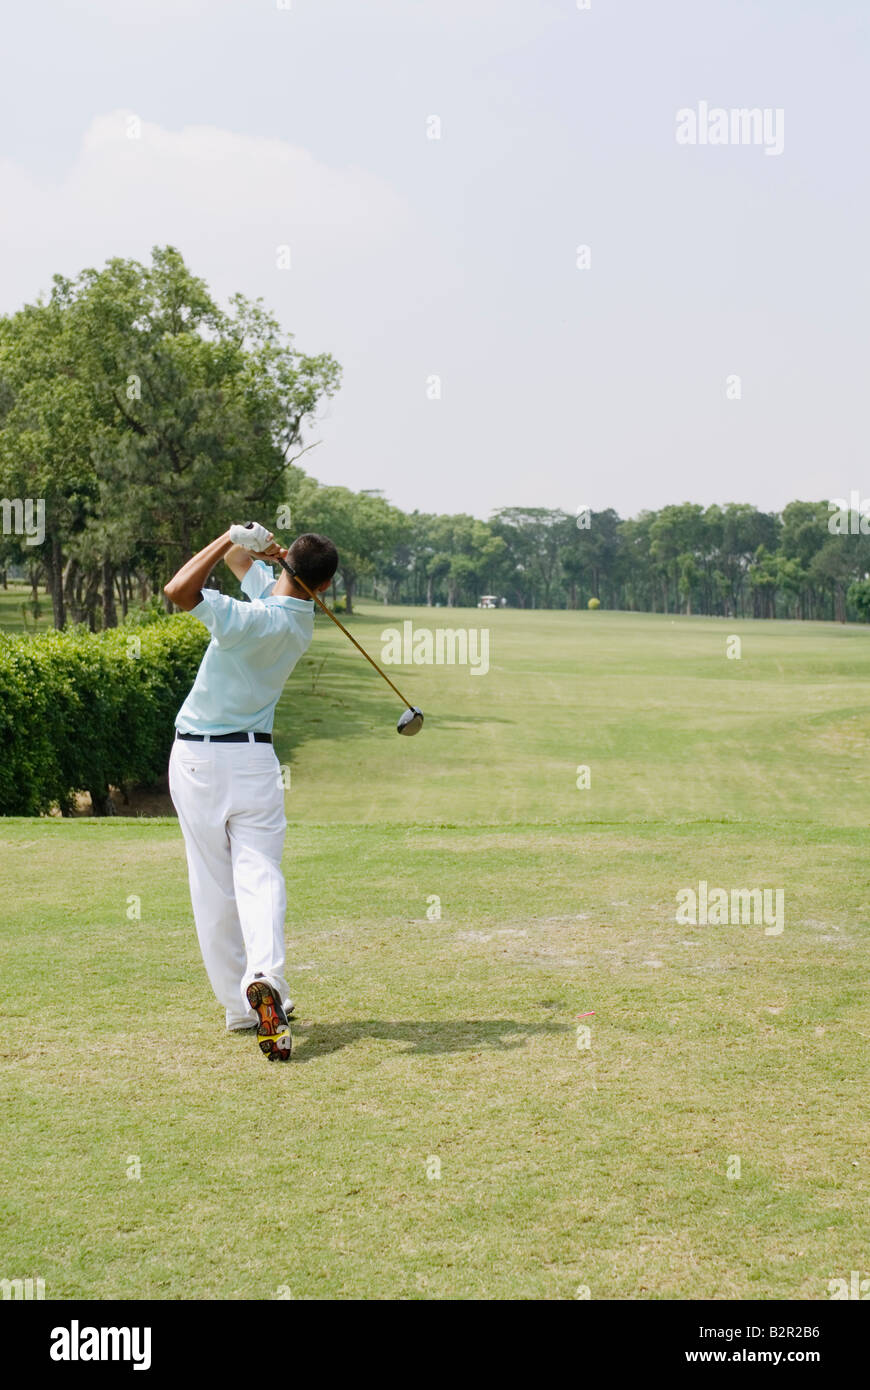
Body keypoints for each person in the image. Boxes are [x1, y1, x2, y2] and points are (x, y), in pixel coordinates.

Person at [163, 522, 338, 1061]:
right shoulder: (298, 619)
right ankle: (267, 982)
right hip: (255, 761)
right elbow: (251, 572)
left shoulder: (245, 618)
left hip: (195, 759)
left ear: (286, 572)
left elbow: (178, 592)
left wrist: (226, 537)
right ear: (322, 589)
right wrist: (261, 549)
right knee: (260, 875)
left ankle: (242, 1009)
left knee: (213, 885)